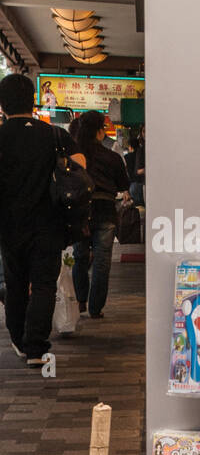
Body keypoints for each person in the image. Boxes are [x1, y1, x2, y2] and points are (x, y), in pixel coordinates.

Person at [0, 74, 86, 367]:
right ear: (33, 101)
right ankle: (37, 349)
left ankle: (20, 341)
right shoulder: (52, 134)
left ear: (2, 105)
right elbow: (81, 165)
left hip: (10, 224)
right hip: (48, 222)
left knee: (15, 282)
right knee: (44, 285)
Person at [71, 110, 131, 319]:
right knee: (102, 262)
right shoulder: (111, 156)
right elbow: (124, 184)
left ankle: (80, 300)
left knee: (79, 257)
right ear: (99, 131)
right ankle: (95, 308)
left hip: (80, 212)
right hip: (105, 211)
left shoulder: (74, 157)